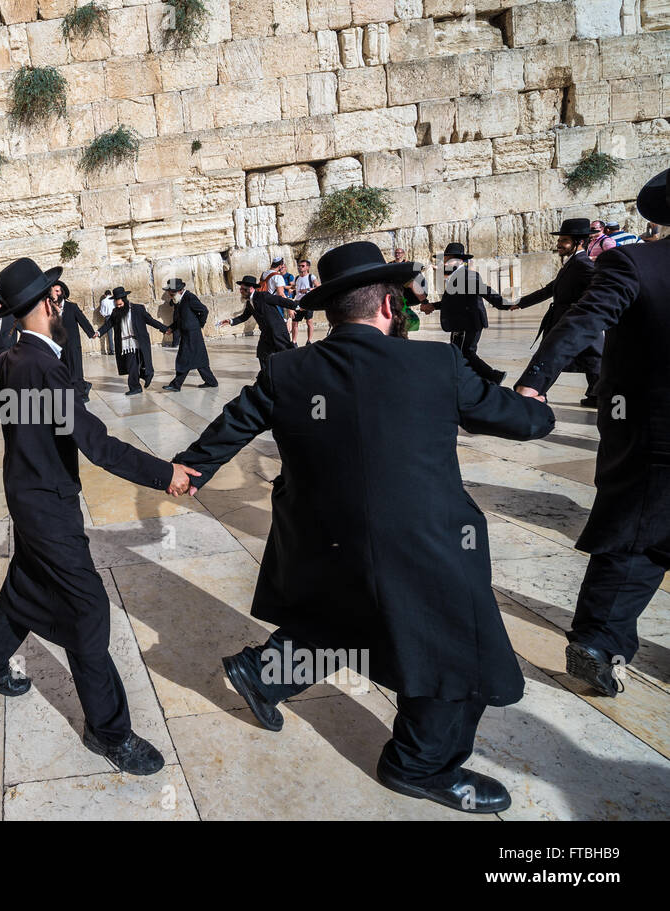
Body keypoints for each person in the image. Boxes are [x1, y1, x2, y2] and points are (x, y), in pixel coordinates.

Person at [172, 241, 554, 813]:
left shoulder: (287, 370)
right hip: (423, 545)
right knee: (454, 656)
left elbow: (234, 423)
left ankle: (264, 672)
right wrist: (534, 400)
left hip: (326, 540)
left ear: (334, 310)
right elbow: (524, 423)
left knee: (348, 612)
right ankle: (418, 765)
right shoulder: (435, 364)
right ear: (387, 306)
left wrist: (187, 471)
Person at [0, 258, 200, 775]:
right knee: (88, 613)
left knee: (27, 581)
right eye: (55, 296)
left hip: (28, 499)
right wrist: (165, 473)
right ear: (48, 303)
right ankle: (110, 732)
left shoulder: (13, 359)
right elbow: (97, 444)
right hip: (49, 508)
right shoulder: (43, 366)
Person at [515, 168, 670, 700]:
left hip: (649, 431)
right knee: (639, 536)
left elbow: (584, 320)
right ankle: (599, 642)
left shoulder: (633, 262)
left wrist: (535, 382)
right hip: (652, 433)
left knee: (635, 536)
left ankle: (599, 643)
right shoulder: (629, 261)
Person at [510, 217, 601, 408]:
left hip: (575, 321)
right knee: (591, 358)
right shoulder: (572, 262)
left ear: (579, 242)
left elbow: (601, 286)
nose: (559, 244)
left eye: (564, 241)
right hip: (567, 319)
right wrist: (520, 303)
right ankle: (596, 395)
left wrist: (584, 309)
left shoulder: (583, 264)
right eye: (559, 241)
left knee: (555, 356)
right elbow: (550, 289)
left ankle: (536, 392)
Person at [420, 242, 510, 384]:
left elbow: (485, 291)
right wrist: (432, 305)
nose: (445, 263)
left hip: (468, 322)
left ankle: (493, 376)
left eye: (447, 259)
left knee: (465, 353)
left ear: (459, 260)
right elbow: (451, 302)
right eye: (445, 260)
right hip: (462, 321)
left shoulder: (468, 276)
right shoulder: (456, 276)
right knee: (459, 352)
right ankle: (469, 380)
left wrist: (503, 304)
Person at [95, 286, 170, 396]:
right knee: (132, 366)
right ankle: (135, 387)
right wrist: (98, 332)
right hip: (126, 344)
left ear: (125, 300)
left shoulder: (138, 309)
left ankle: (147, 374)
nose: (119, 306)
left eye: (120, 304)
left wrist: (164, 328)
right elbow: (108, 324)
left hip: (139, 341)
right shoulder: (115, 312)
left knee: (144, 362)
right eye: (117, 304)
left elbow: (150, 320)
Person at [219, 275, 293, 371]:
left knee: (287, 355)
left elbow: (280, 301)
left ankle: (293, 375)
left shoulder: (263, 296)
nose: (240, 291)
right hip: (266, 333)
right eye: (240, 288)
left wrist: (298, 306)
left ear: (250, 288)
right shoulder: (249, 303)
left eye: (242, 289)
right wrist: (230, 321)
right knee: (262, 355)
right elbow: (244, 316)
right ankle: (265, 378)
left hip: (278, 331)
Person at [160, 277, 217, 391]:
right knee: (200, 359)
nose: (170, 295)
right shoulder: (178, 299)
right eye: (169, 293)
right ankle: (211, 381)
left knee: (183, 358)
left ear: (180, 290)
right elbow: (180, 319)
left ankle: (176, 385)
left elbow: (204, 310)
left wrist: (199, 324)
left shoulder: (190, 298)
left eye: (172, 293)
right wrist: (172, 328)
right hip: (187, 333)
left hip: (192, 333)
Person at [53, 280, 96, 402]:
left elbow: (82, 320)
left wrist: (91, 333)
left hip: (72, 344)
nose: (54, 294)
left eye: (57, 291)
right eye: (53, 291)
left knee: (76, 369)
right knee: (65, 370)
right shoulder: (51, 310)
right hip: (59, 346)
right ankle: (83, 387)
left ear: (62, 293)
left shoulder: (72, 307)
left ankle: (83, 395)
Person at [290, 259, 320, 345]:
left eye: (302, 266)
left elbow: (318, 287)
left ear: (307, 267)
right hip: (298, 301)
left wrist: (307, 290)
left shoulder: (311, 277)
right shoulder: (297, 278)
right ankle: (294, 341)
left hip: (308, 301)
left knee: (309, 321)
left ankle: (309, 341)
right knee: (294, 322)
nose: (300, 268)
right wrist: (291, 290)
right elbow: (295, 288)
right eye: (299, 266)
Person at [97, 289, 115, 355]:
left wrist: (105, 315)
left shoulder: (103, 301)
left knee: (109, 335)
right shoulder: (113, 300)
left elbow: (101, 311)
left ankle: (112, 350)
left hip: (108, 317)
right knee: (117, 332)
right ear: (110, 294)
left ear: (105, 295)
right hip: (115, 316)